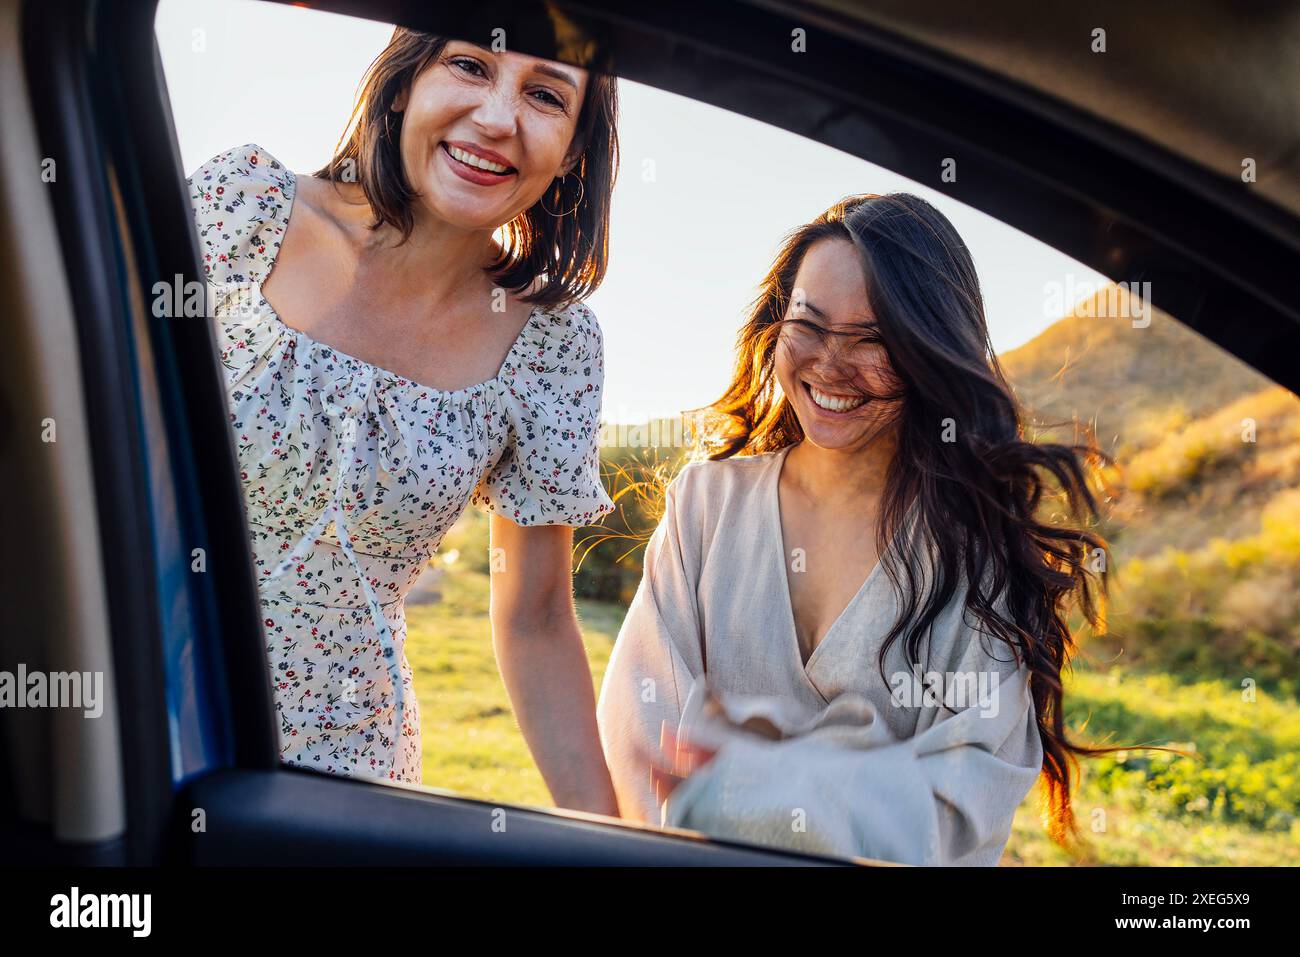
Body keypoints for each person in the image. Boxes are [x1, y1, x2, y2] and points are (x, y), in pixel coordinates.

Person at [598, 193, 1121, 863]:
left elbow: (959, 807)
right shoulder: (706, 506)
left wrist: (741, 782)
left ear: (928, 352)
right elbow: (642, 737)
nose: (830, 364)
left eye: (873, 339)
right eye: (809, 325)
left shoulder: (974, 555)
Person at [188, 26, 621, 816]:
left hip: (348, 775)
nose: (497, 117)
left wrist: (612, 838)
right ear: (403, 82)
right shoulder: (242, 206)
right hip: (140, 708)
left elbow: (536, 618)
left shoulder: (553, 345)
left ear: (574, 153)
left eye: (546, 95)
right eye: (470, 66)